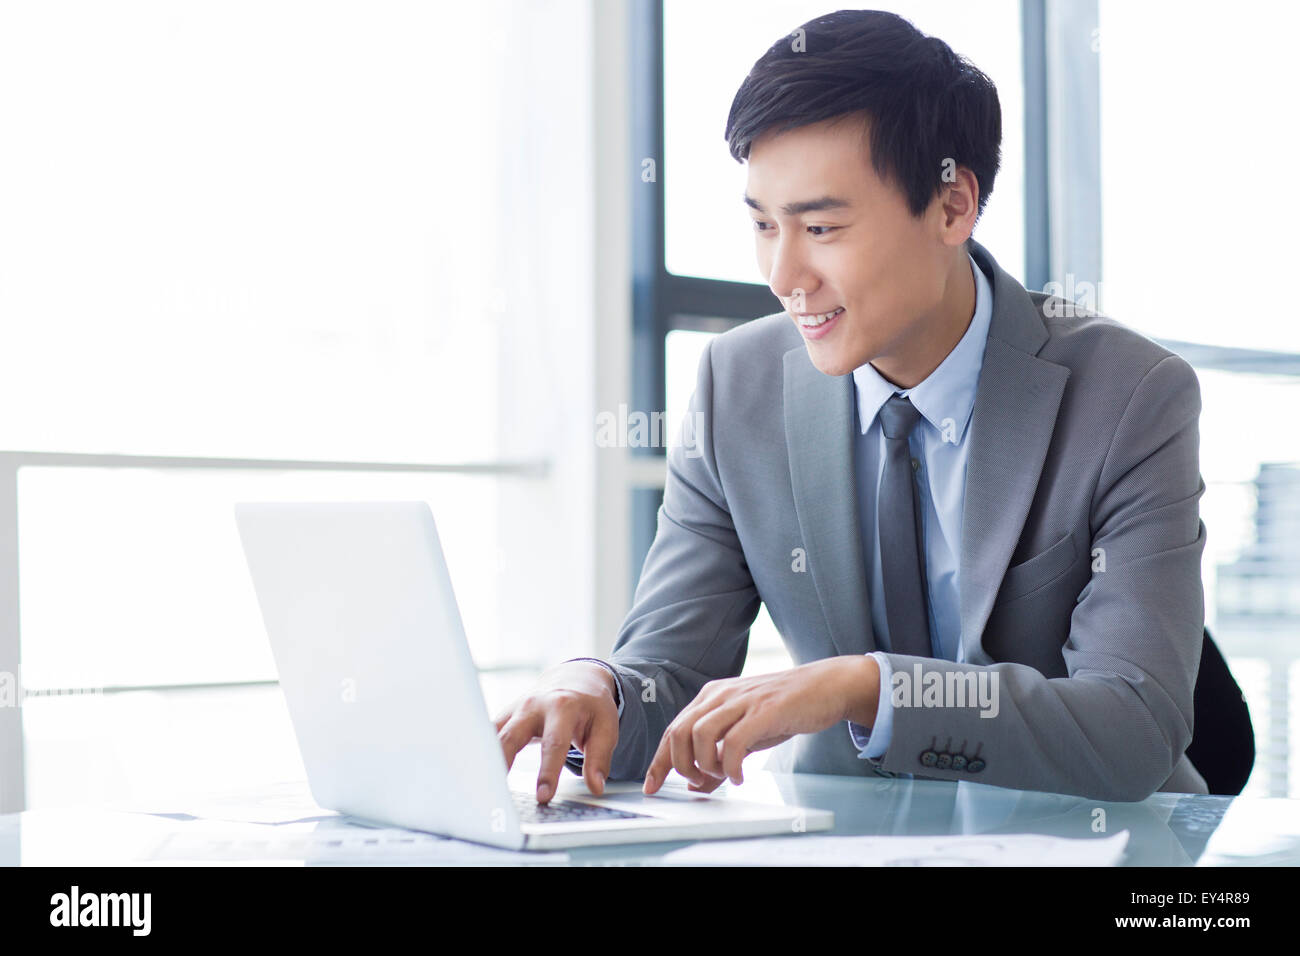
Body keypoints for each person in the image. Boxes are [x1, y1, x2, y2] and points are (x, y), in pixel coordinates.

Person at [494, 8, 1207, 805]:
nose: (783, 274)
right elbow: (669, 679)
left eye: (822, 227)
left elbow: (1133, 726)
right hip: (843, 840)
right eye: (763, 225)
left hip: (1095, 848)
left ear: (951, 206)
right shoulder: (738, 388)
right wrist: (596, 689)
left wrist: (869, 688)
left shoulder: (1131, 398)